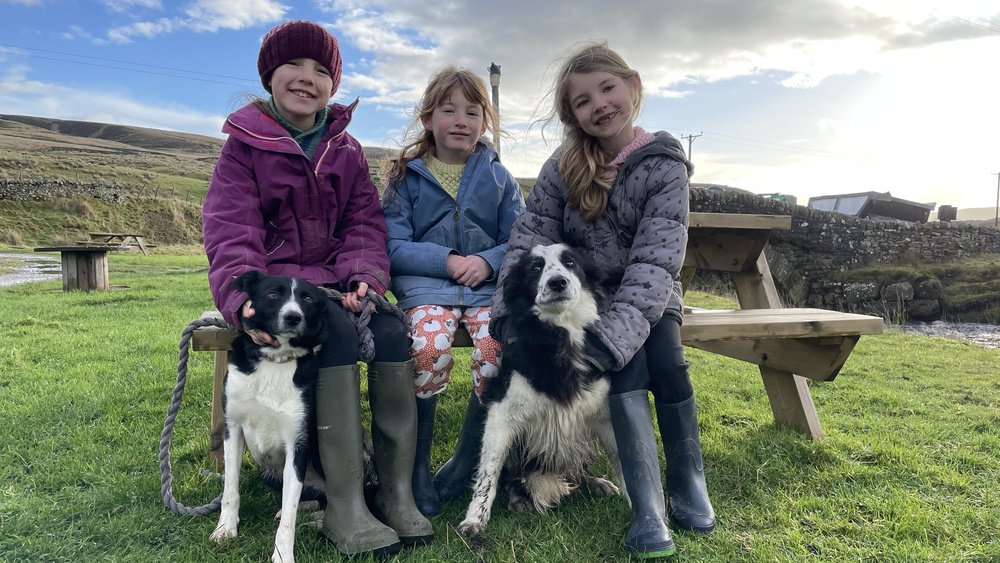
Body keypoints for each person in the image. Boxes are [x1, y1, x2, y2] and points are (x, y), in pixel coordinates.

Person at [201, 20, 432, 558]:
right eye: (294, 66)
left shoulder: (346, 150)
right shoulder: (243, 150)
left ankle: (395, 492)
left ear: (333, 84)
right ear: (269, 75)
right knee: (341, 341)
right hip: (281, 294)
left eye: (321, 70)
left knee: (394, 333)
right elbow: (232, 232)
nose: (307, 78)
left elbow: (365, 225)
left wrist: (363, 278)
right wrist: (244, 302)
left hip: (337, 285)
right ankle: (343, 502)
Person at [489, 42, 716, 558]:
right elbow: (529, 238)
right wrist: (506, 312)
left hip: (648, 298)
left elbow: (656, 264)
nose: (599, 105)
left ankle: (687, 482)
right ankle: (647, 506)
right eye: (583, 101)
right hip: (580, 300)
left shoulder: (664, 167)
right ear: (573, 116)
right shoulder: (561, 166)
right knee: (623, 374)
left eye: (607, 89)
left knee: (664, 361)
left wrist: (610, 340)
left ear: (633, 86)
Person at [382, 66, 525, 518]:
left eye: (472, 110)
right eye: (448, 110)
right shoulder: (405, 177)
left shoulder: (501, 178)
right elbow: (393, 244)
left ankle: (466, 460)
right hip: (426, 289)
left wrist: (488, 261)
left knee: (496, 354)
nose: (460, 119)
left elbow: (521, 238)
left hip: (485, 292)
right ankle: (418, 469)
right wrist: (445, 261)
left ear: (485, 121)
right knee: (428, 349)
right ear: (428, 118)